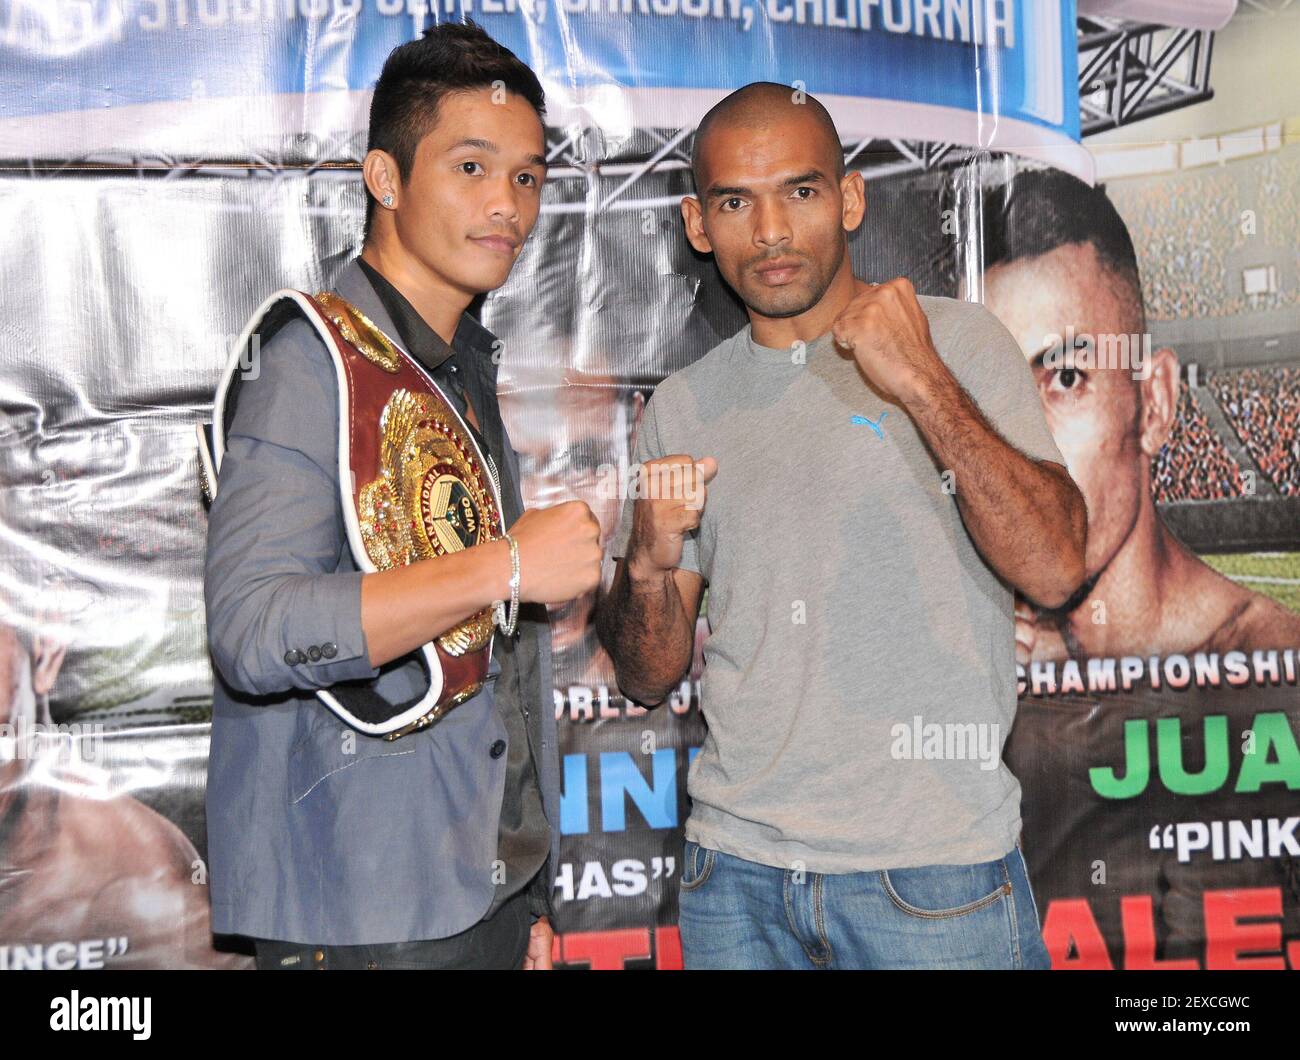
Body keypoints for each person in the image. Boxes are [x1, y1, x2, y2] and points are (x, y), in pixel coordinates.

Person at [597, 82, 1087, 969]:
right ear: (698, 225)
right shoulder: (684, 405)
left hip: (933, 874)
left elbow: (1055, 568)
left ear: (851, 199)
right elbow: (646, 674)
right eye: (736, 202)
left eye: (802, 191)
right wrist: (645, 562)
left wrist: (924, 384)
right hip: (736, 878)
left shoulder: (961, 345)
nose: (772, 231)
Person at [203, 20, 602, 970]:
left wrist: (525, 889)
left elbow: (493, 663)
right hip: (365, 907)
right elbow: (253, 631)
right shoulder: (313, 362)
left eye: (527, 176)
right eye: (471, 167)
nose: (507, 203)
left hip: (474, 891)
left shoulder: (457, 364)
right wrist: (504, 563)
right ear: (384, 178)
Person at [976, 168, 1300, 662]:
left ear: (1154, 404)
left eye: (1065, 378)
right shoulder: (982, 671)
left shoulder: (1275, 665)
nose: (1019, 439)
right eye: (991, 389)